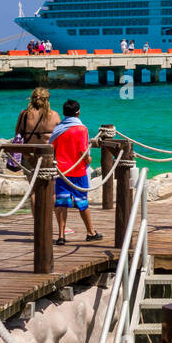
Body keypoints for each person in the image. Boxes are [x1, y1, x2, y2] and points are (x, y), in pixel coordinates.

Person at [49, 99, 102, 244]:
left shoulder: (58, 129)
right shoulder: (82, 129)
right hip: (77, 171)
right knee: (82, 202)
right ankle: (90, 232)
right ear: (78, 112)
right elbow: (82, 152)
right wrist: (89, 160)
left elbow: (51, 147)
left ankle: (61, 235)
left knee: (61, 203)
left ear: (64, 113)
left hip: (61, 171)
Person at [12, 87, 61, 181]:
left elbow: (18, 135)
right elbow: (60, 137)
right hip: (48, 156)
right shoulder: (54, 115)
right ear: (47, 99)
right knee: (49, 189)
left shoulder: (24, 114)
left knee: (33, 189)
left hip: (29, 155)